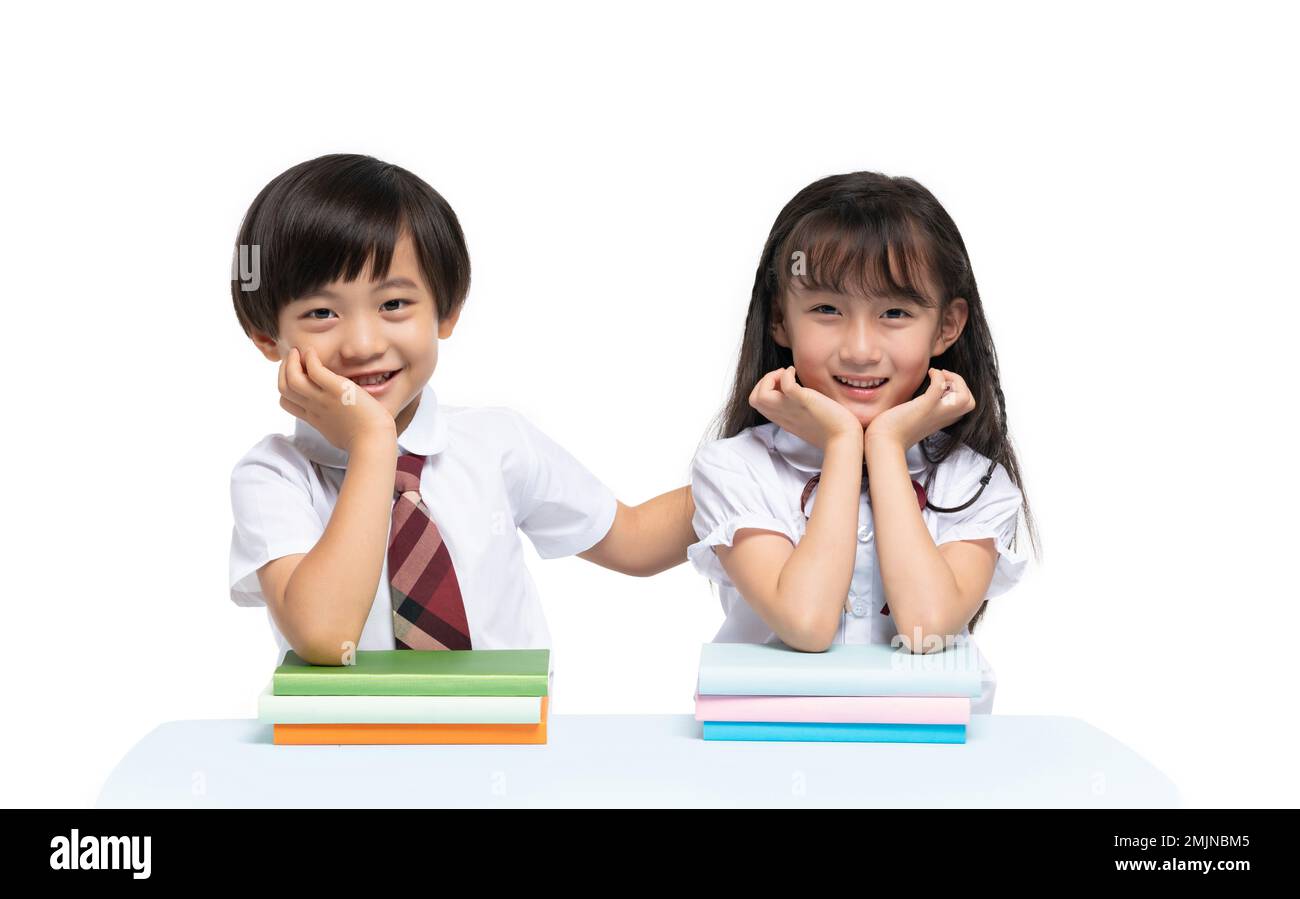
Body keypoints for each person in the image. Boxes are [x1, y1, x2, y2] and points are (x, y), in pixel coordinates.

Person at [227, 153, 697, 702]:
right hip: (348, 767)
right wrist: (374, 443)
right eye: (322, 314)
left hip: (508, 752)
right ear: (266, 336)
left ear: (445, 311)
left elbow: (634, 541)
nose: (361, 343)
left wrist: (775, 465)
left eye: (394, 303)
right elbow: (325, 637)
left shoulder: (497, 443)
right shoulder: (275, 478)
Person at [686, 171, 1041, 713]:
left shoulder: (974, 481)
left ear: (947, 327)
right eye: (827, 309)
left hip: (933, 759)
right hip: (768, 747)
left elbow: (927, 627)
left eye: (895, 313)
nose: (859, 349)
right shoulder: (734, 468)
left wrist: (886, 445)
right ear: (781, 318)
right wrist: (843, 443)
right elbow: (805, 621)